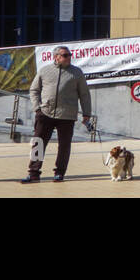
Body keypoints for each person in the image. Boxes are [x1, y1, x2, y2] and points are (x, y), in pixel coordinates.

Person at [23, 45, 93, 183]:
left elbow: (84, 94)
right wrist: (37, 108)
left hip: (67, 115)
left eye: (69, 54)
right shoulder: (45, 71)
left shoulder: (76, 73)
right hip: (45, 113)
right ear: (56, 57)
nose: (69, 57)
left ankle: (59, 173)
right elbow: (34, 90)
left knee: (64, 145)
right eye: (65, 55)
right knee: (38, 143)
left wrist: (86, 113)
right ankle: (33, 173)